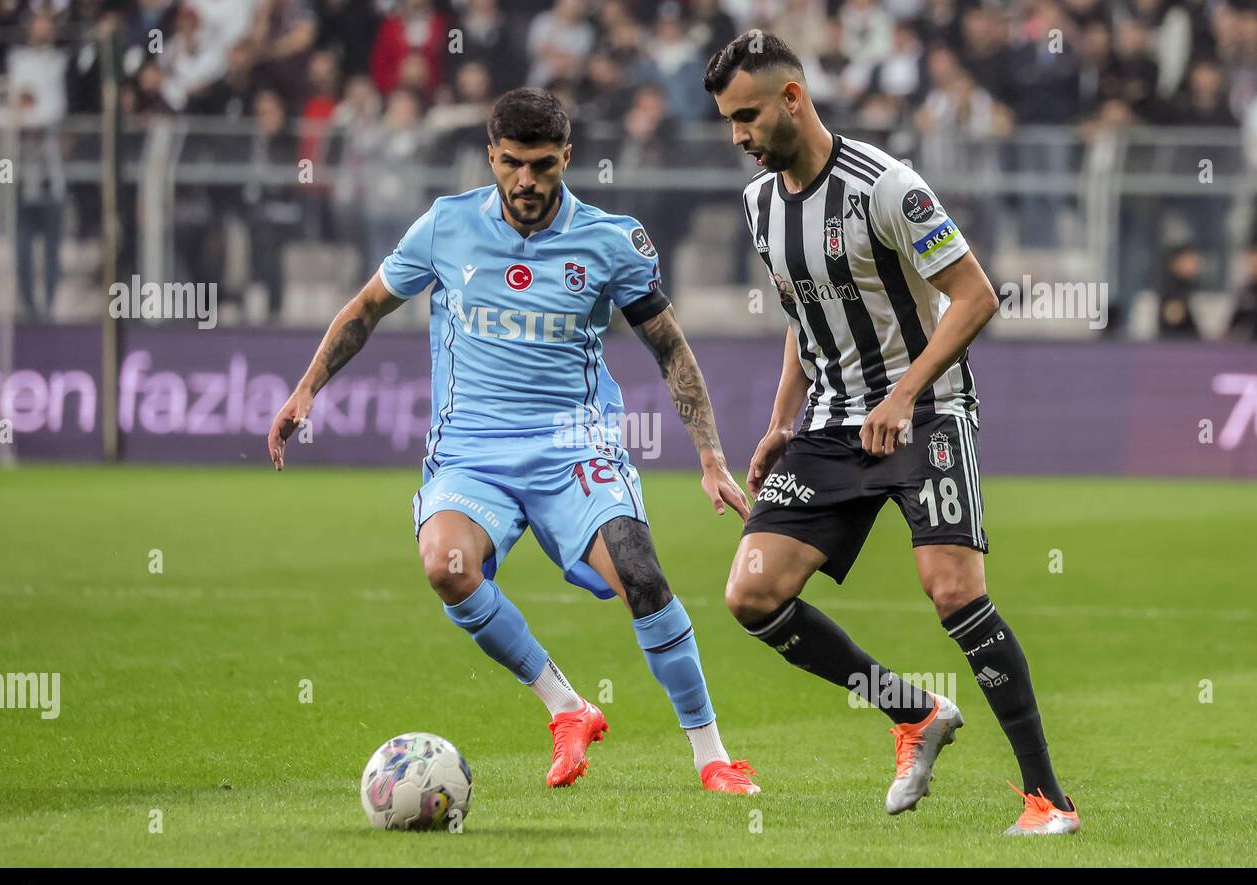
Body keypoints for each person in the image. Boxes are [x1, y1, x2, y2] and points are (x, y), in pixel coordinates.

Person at [268, 88, 760, 795]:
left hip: (574, 447)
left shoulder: (611, 240)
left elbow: (670, 349)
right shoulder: (446, 225)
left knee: (643, 576)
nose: (524, 182)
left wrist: (710, 455)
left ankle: (712, 755)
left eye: (540, 165)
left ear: (566, 157)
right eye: (510, 164)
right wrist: (308, 386)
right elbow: (367, 307)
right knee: (447, 565)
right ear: (490, 157)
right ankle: (568, 707)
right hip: (472, 453)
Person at [706, 32, 1080, 835]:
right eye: (727, 121)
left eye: (746, 116)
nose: (736, 136)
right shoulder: (759, 204)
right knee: (752, 594)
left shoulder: (888, 186)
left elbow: (975, 296)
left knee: (953, 589)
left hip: (927, 407)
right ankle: (913, 711)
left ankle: (1048, 799)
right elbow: (803, 315)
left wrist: (904, 395)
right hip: (833, 422)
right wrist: (780, 421)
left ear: (793, 99)